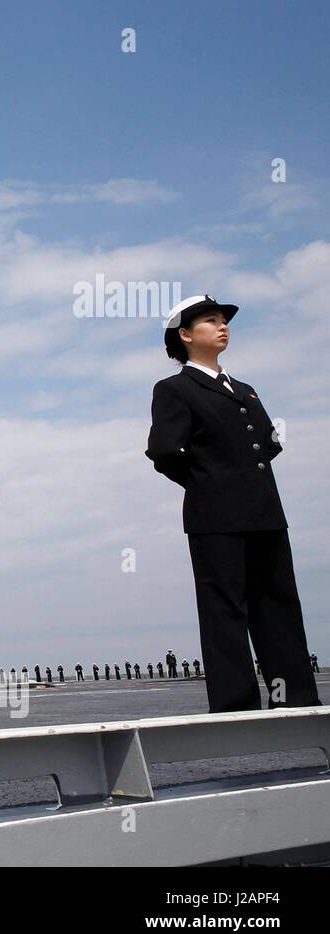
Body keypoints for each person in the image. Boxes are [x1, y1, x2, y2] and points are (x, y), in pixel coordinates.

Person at [146, 294, 320, 711]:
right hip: (215, 516)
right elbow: (164, 451)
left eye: (224, 320)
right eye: (210, 320)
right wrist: (209, 484)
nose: (222, 326)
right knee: (224, 610)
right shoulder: (175, 389)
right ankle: (234, 707)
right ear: (185, 335)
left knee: (278, 603)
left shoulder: (245, 390)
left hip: (265, 511)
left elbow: (267, 444)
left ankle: (295, 700)